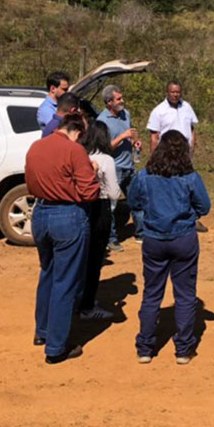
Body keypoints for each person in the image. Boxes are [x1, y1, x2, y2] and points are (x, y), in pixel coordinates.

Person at [127, 130, 211, 365]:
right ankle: (183, 349)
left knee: (152, 293)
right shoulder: (190, 177)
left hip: (154, 238)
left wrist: (150, 214)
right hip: (183, 238)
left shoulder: (144, 176)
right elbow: (204, 206)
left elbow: (133, 202)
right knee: (185, 295)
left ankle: (145, 347)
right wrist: (189, 215)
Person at [25, 113, 100, 364]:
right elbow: (90, 192)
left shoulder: (36, 147)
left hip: (40, 214)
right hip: (67, 216)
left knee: (48, 272)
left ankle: (42, 331)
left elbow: (30, 181)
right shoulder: (75, 151)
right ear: (77, 132)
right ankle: (56, 348)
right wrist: (93, 171)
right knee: (66, 282)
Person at [146, 81, 208, 233]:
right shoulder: (158, 111)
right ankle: (168, 218)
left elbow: (192, 129)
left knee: (188, 186)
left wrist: (193, 146)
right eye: (173, 92)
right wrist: (154, 158)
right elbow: (154, 137)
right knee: (170, 186)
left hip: (184, 154)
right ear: (167, 92)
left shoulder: (187, 107)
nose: (175, 95)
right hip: (166, 156)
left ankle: (192, 218)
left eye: (178, 92)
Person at [78, 121, 122, 321]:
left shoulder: (80, 155)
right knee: (95, 260)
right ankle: (87, 306)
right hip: (100, 206)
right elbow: (114, 192)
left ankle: (77, 300)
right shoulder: (106, 160)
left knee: (80, 258)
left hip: (80, 209)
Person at [98, 85, 144, 248]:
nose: (122, 101)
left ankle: (141, 233)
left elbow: (131, 135)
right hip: (114, 168)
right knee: (111, 205)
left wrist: (135, 142)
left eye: (122, 97)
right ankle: (111, 239)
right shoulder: (102, 121)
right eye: (119, 99)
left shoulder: (126, 114)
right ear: (109, 102)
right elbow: (105, 148)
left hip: (129, 165)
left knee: (137, 201)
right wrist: (122, 137)